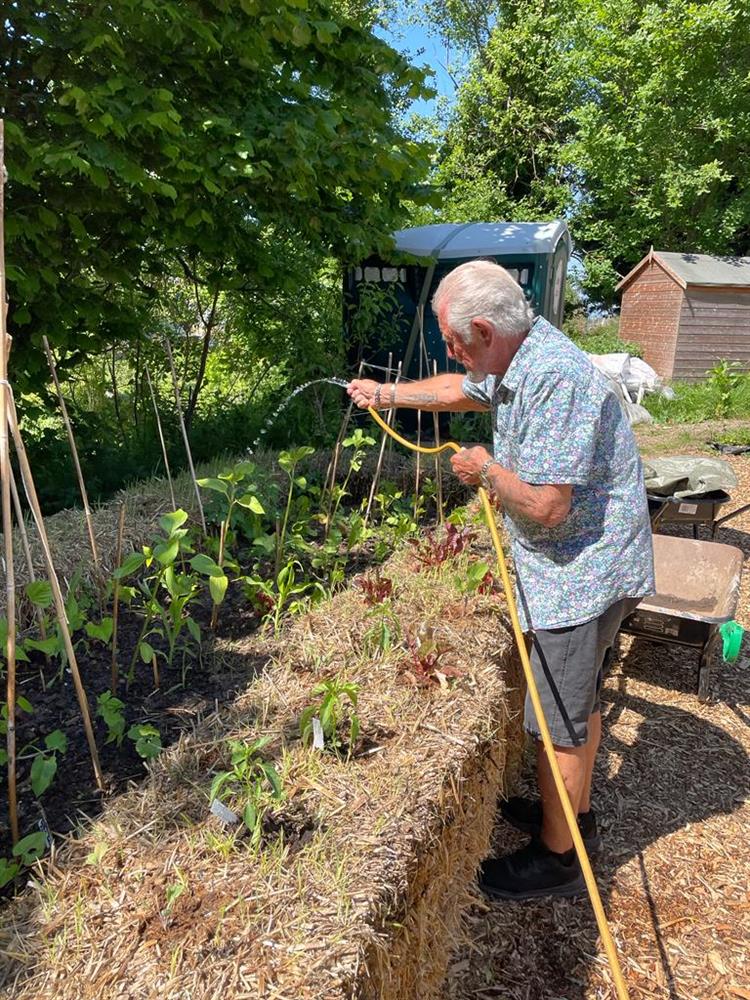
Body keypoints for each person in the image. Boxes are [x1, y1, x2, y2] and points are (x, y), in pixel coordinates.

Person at [347, 259, 655, 900]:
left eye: (453, 338)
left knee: (558, 719)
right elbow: (461, 390)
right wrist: (387, 395)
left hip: (583, 574)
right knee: (579, 705)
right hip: (575, 563)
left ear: (484, 329)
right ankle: (571, 816)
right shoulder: (514, 359)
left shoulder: (552, 379)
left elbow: (546, 505)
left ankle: (559, 857)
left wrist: (485, 469)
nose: (449, 349)